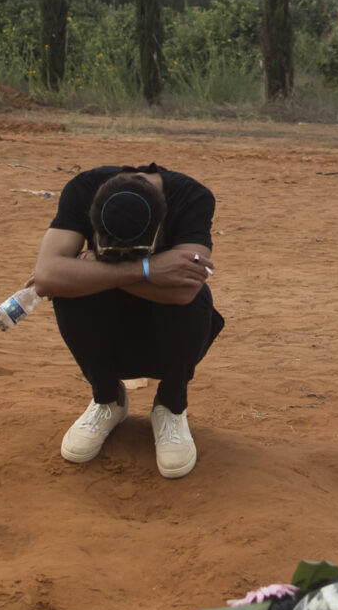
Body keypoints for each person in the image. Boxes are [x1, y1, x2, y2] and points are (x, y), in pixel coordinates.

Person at [27, 163, 222, 479]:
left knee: (196, 298)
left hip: (167, 327)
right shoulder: (82, 189)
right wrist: (146, 270)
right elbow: (47, 277)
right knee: (69, 293)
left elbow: (186, 290)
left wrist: (87, 269)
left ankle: (171, 405)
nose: (123, 253)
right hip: (107, 325)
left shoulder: (192, 197)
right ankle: (108, 399)